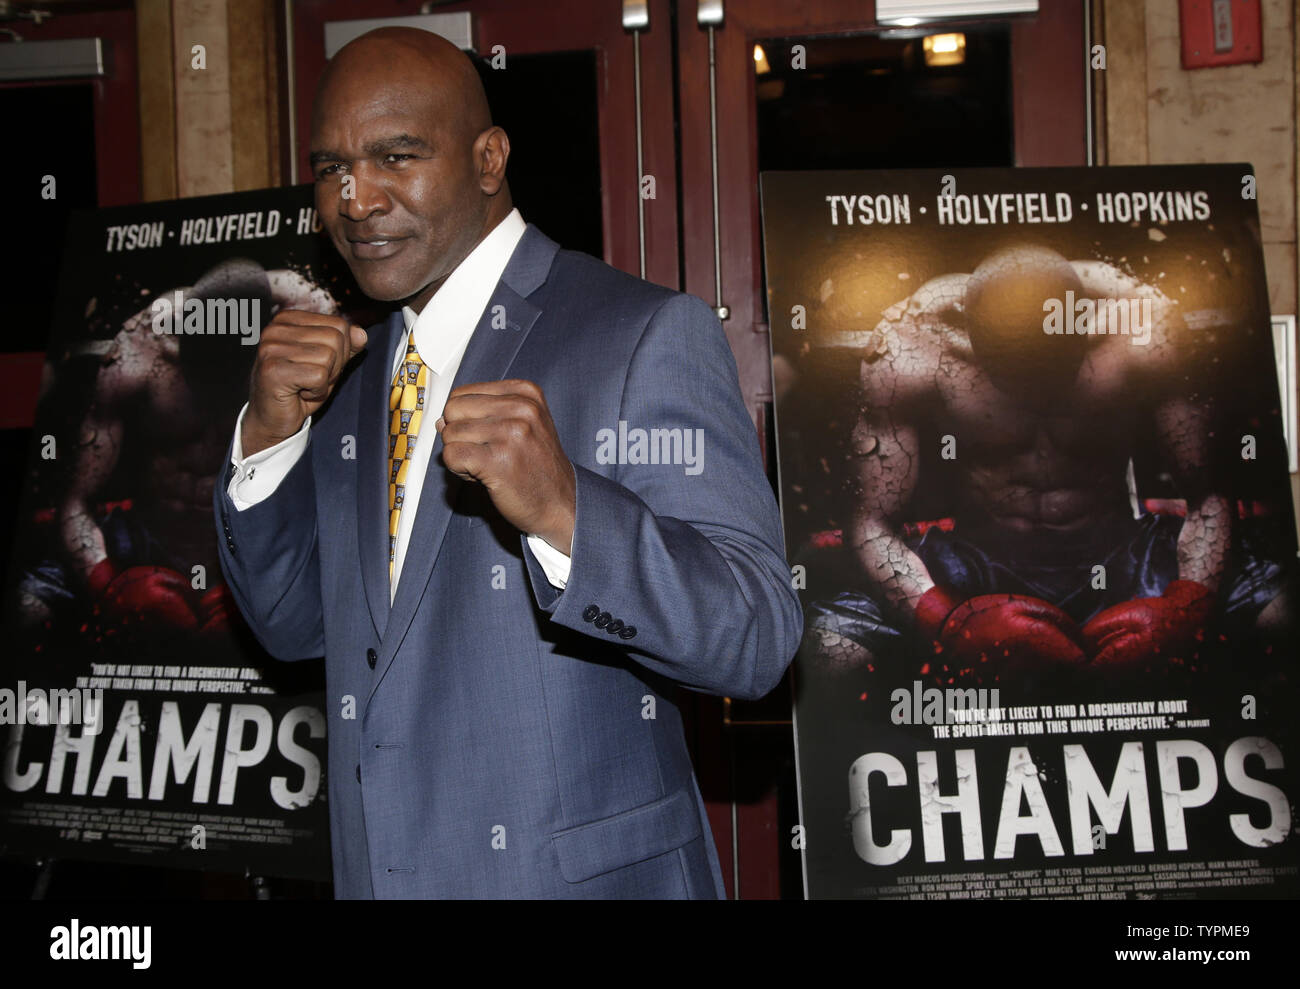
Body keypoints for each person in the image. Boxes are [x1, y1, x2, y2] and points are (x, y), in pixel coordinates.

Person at [212, 27, 801, 899]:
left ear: (489, 160)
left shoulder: (642, 333)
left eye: (395, 156)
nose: (355, 198)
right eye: (331, 166)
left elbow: (755, 638)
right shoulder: (355, 372)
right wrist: (268, 439)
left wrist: (570, 513)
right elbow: (293, 625)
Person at [805, 244, 1288, 687]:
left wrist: (1191, 606)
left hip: (1120, 556)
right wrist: (941, 618)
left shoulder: (1144, 334)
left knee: (1284, 617)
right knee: (831, 650)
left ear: (1083, 328)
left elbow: (1210, 496)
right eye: (1013, 374)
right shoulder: (913, 351)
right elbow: (869, 519)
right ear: (972, 338)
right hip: (976, 564)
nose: (1035, 392)